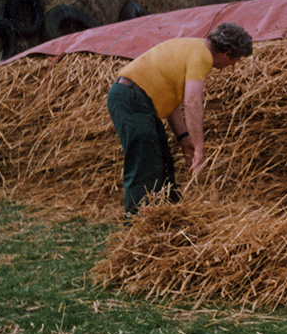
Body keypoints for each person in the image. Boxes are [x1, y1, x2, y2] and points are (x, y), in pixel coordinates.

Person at [107, 22, 253, 217]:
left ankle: (169, 218)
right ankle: (135, 225)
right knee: (145, 164)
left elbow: (173, 103)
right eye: (236, 60)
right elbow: (192, 103)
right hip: (131, 98)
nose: (233, 66)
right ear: (227, 53)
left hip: (139, 100)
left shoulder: (193, 48)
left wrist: (185, 140)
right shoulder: (202, 56)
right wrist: (199, 149)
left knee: (164, 162)